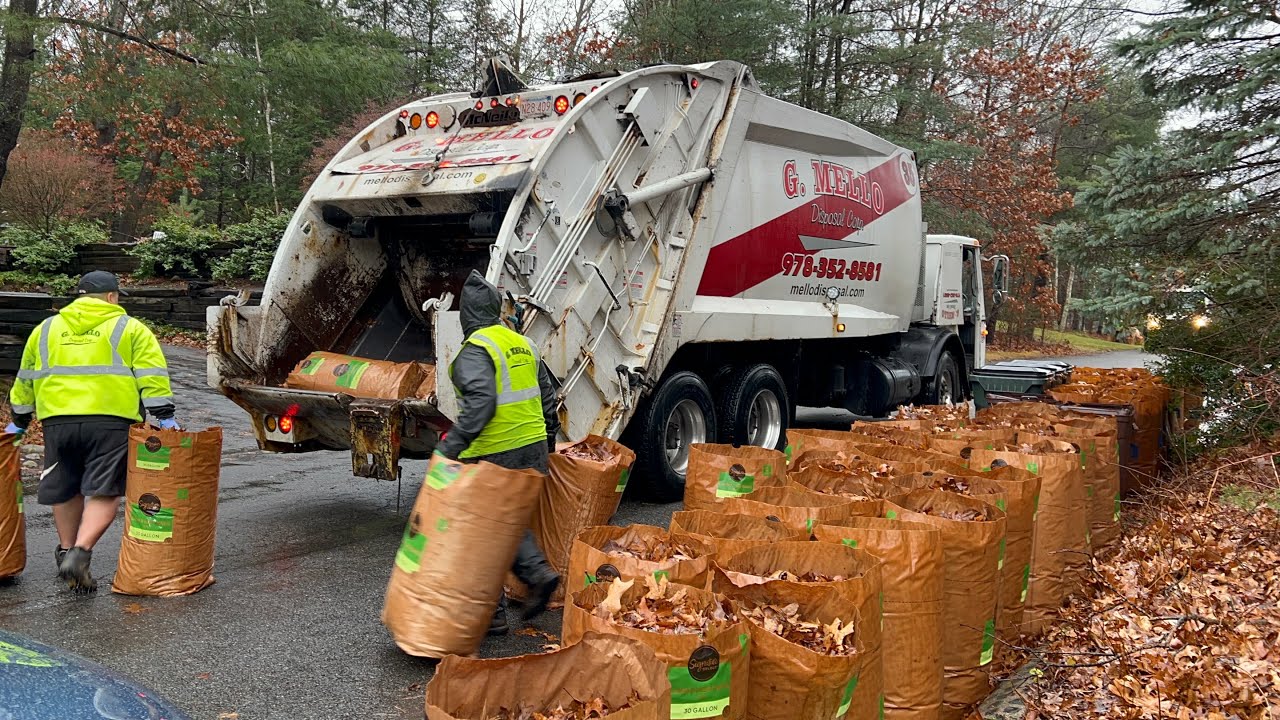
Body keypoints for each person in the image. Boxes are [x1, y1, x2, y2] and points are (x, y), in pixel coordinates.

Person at [5, 271, 178, 593]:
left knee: (66, 485)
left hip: (57, 420)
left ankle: (66, 550)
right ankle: (80, 553)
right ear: (112, 297)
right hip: (111, 421)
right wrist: (164, 415)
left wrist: (19, 419)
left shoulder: (46, 329)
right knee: (104, 490)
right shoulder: (130, 328)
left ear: (79, 296)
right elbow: (152, 375)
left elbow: (26, 377)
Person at [436, 270, 561, 634]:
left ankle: (533, 578)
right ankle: (495, 616)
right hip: (533, 446)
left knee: (485, 530)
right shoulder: (522, 343)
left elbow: (481, 404)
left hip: (497, 451)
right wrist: (548, 441)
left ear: (466, 317)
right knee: (500, 525)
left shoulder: (474, 351)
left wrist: (451, 447)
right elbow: (548, 397)